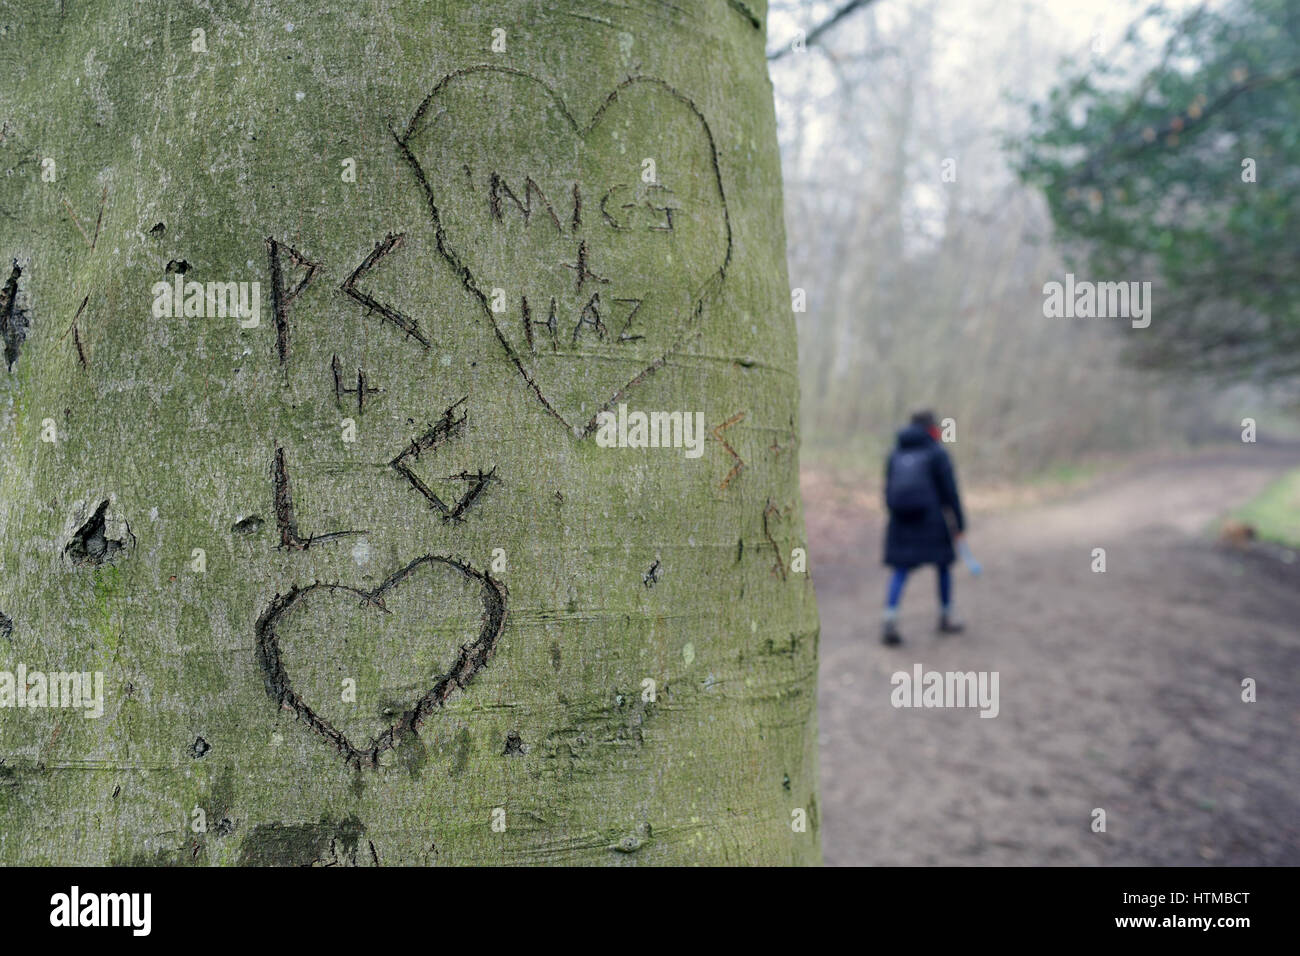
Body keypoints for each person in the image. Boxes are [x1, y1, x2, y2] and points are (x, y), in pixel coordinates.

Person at [881, 410, 966, 646]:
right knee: (943, 567)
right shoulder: (937, 452)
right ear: (932, 428)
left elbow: (887, 490)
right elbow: (951, 492)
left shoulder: (895, 452)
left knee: (900, 570)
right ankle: (946, 615)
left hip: (901, 521)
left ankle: (890, 618)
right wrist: (959, 524)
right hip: (933, 521)